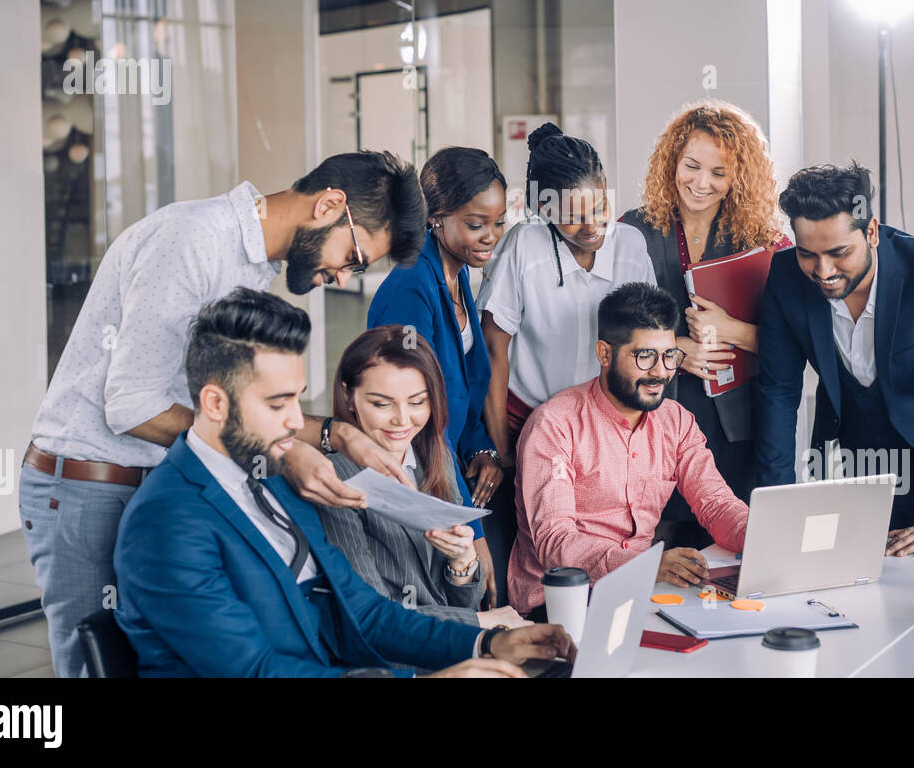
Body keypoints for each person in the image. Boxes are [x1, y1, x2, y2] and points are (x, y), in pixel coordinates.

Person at [20, 151, 428, 677]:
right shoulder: (193, 240)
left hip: (153, 481)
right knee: (96, 667)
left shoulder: (254, 265)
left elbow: (238, 409)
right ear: (329, 205)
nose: (343, 275)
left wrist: (339, 435)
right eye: (354, 257)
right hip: (89, 484)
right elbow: (134, 405)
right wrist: (286, 454)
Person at [113, 289, 571, 677]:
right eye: (278, 404)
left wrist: (486, 645)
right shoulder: (167, 520)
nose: (298, 421)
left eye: (296, 398)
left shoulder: (271, 483)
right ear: (214, 403)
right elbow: (255, 671)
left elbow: (365, 615)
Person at [754, 163, 914, 555]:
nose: (823, 271)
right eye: (808, 254)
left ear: (871, 232)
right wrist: (774, 512)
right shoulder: (786, 277)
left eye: (839, 253)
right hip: (858, 464)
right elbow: (777, 393)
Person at [479, 123, 656, 597]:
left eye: (600, 207)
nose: (594, 225)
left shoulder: (630, 246)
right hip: (524, 421)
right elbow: (494, 353)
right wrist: (502, 450)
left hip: (601, 430)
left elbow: (645, 349)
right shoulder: (523, 247)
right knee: (534, 561)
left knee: (599, 556)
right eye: (575, 217)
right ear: (542, 210)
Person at [508, 282, 749, 615]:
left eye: (669, 356)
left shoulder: (676, 421)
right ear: (605, 354)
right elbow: (556, 542)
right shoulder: (554, 424)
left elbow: (715, 503)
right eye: (644, 356)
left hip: (638, 592)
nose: (660, 372)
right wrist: (645, 566)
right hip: (561, 600)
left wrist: (757, 535)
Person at [620, 100, 790, 548]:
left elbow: (798, 344)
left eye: (719, 173)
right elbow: (608, 331)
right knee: (656, 549)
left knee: (731, 542)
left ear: (739, 177)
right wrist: (674, 347)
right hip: (652, 416)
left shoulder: (765, 240)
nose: (701, 183)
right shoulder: (631, 231)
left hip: (738, 422)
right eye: (692, 166)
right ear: (672, 161)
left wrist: (730, 328)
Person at [365, 147, 507, 602]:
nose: (491, 236)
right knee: (469, 592)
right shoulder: (412, 286)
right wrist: (470, 528)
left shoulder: (458, 272)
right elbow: (416, 419)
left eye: (498, 222)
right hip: (416, 475)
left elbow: (461, 389)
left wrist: (482, 447)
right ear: (437, 218)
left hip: (450, 469)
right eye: (476, 223)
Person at [318, 325, 528, 627]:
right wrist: (480, 624)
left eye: (417, 402)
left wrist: (463, 562)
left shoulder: (435, 453)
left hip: (449, 646)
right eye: (381, 404)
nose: (402, 420)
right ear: (349, 396)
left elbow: (464, 600)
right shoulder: (336, 477)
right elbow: (370, 617)